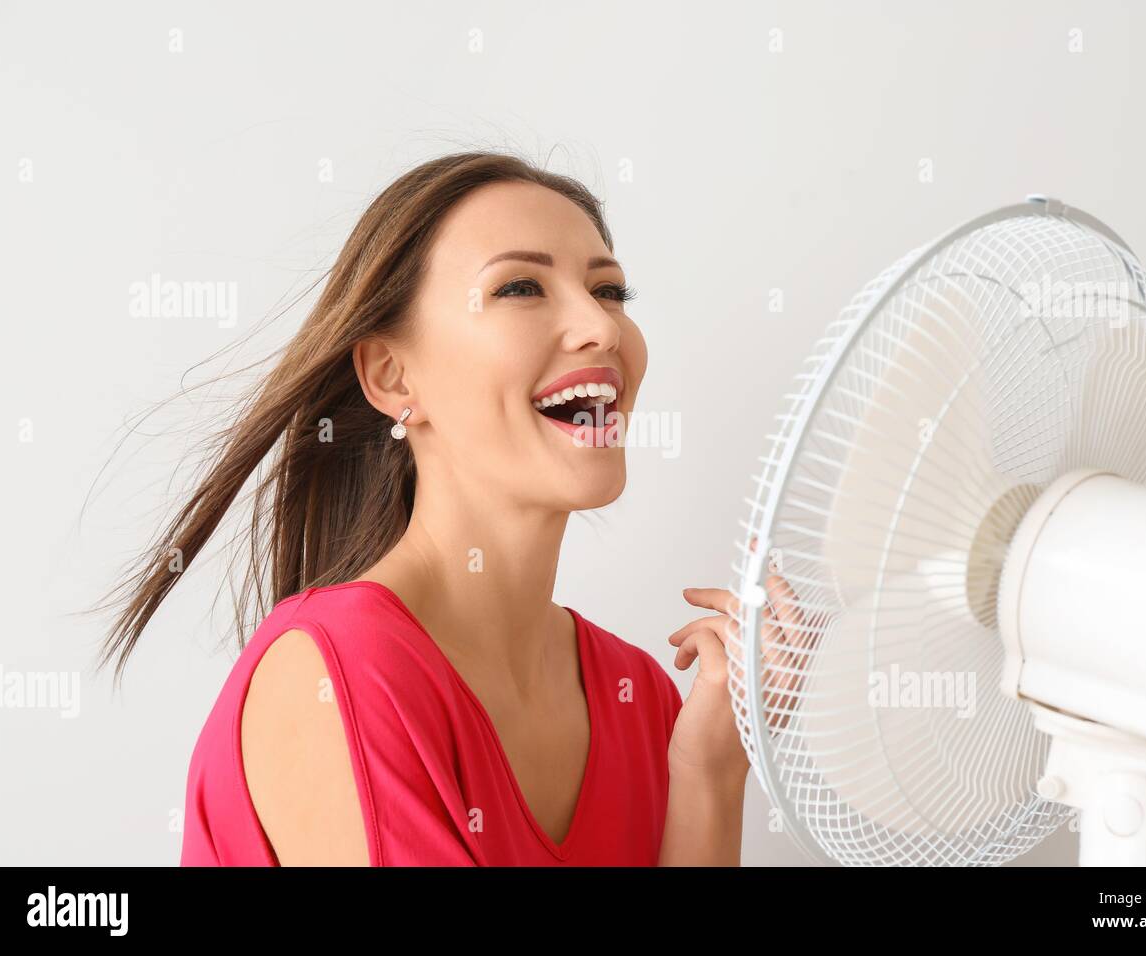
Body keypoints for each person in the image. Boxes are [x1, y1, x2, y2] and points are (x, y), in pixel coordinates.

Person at [97, 151, 760, 866]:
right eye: (519, 287)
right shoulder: (340, 675)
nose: (601, 328)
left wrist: (712, 775)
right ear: (391, 374)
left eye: (609, 291)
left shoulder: (647, 699)